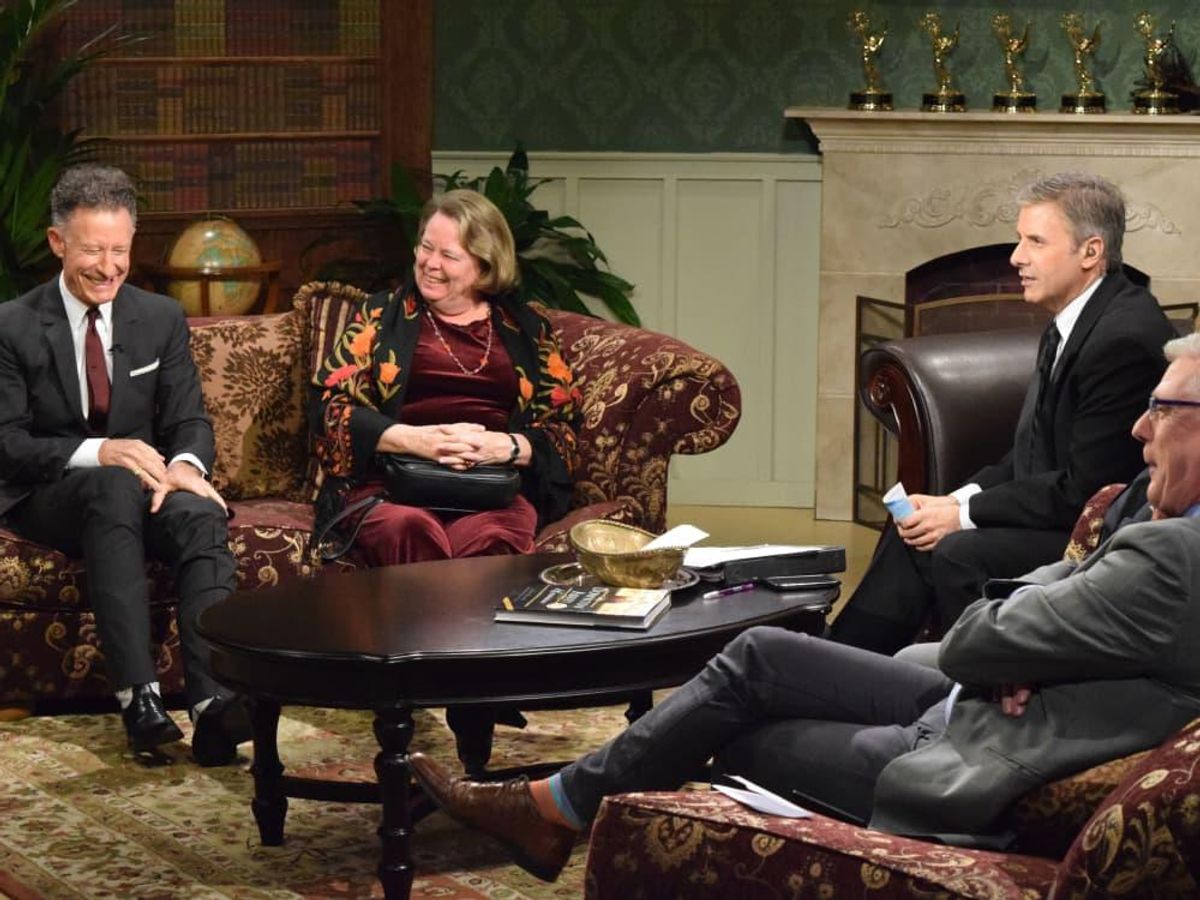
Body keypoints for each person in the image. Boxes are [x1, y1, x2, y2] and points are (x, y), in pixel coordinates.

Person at [407, 331, 1200, 882]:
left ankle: (556, 812)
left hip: (990, 749)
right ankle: (553, 806)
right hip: (980, 694)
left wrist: (1016, 648)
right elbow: (1045, 594)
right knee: (760, 656)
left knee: (736, 743)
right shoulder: (1152, 503)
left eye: (1162, 410)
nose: (1139, 427)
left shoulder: (1175, 555)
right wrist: (1023, 649)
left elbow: (978, 637)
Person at [830, 172, 1174, 655]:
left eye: (1036, 241)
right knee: (919, 529)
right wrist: (952, 502)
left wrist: (964, 517)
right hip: (1062, 511)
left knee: (958, 551)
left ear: (1090, 251)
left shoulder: (1122, 340)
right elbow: (1030, 452)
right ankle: (840, 660)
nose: (1016, 257)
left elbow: (1085, 490)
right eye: (1020, 239)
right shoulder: (1075, 317)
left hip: (1099, 533)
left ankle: (961, 685)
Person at [311, 189, 581, 770]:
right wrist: (415, 439)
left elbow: (566, 428)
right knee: (415, 534)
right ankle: (446, 698)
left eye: (448, 255)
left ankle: (467, 715)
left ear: (484, 265)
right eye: (424, 248)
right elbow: (329, 409)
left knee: (491, 543)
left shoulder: (526, 329)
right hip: (396, 484)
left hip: (491, 489)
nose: (429, 264)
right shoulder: (380, 317)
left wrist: (507, 446)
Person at [0, 165, 248, 765]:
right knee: (110, 484)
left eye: (120, 251)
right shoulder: (12, 325)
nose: (109, 267)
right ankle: (139, 697)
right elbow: (6, 442)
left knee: (201, 515)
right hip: (48, 491)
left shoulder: (159, 318)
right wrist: (100, 452)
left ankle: (213, 705)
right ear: (58, 242)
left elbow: (190, 420)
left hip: (142, 487)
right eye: (93, 250)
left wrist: (186, 467)